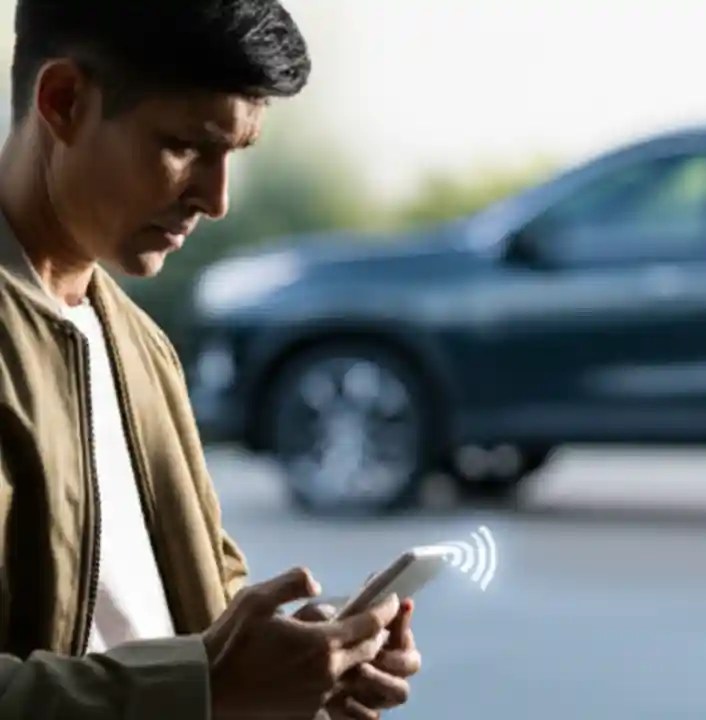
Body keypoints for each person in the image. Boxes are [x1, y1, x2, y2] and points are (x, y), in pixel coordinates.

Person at [0, 0, 422, 717]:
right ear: (64, 101)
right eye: (185, 146)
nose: (216, 198)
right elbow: (196, 680)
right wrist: (211, 691)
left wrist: (305, 669)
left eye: (234, 154)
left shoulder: (139, 348)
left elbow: (196, 621)